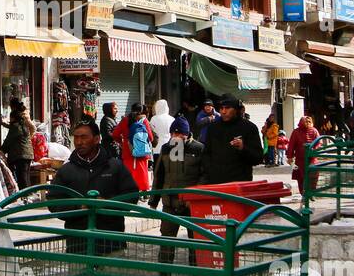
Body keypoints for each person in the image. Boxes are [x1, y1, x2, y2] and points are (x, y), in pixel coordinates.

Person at [50, 119, 140, 253]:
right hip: (78, 245)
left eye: (84, 137)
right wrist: (79, 207)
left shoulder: (115, 166)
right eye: (76, 138)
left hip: (111, 244)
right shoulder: (66, 170)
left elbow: (132, 196)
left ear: (97, 139)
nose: (79, 142)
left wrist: (107, 203)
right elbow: (53, 203)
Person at [150, 117, 205, 266]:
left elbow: (204, 175)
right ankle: (164, 273)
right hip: (169, 201)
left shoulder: (198, 148)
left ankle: (196, 272)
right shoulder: (166, 148)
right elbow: (159, 174)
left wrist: (194, 196)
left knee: (195, 239)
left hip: (191, 203)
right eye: (173, 134)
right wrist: (153, 200)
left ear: (187, 134)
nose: (176, 137)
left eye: (179, 134)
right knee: (167, 238)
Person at [200, 96, 265, 185]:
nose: (223, 111)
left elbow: (258, 158)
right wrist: (210, 171)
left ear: (236, 110)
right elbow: (206, 153)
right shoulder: (213, 128)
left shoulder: (249, 128)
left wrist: (243, 148)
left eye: (227, 108)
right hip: (216, 183)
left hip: (240, 183)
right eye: (221, 108)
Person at [113, 103, 156, 192]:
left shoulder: (125, 120)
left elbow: (115, 134)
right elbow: (151, 138)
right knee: (142, 174)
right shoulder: (144, 121)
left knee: (128, 175)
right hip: (142, 153)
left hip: (128, 152)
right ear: (141, 111)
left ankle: (128, 193)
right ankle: (143, 194)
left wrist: (122, 143)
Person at [0, 103, 36, 193]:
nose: (10, 119)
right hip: (28, 154)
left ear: (13, 118)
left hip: (21, 155)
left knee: (22, 177)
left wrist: (1, 150)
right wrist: (2, 123)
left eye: (10, 117)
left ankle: (25, 195)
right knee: (25, 175)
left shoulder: (15, 127)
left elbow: (8, 141)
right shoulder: (22, 125)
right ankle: (28, 194)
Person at [286, 115, 323, 193]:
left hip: (312, 159)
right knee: (301, 178)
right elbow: (291, 145)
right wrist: (290, 157)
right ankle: (304, 193)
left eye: (309, 121)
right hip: (300, 160)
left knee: (313, 176)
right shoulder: (296, 132)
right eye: (306, 121)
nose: (308, 123)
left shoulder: (314, 131)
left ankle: (311, 193)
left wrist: (314, 150)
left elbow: (319, 143)